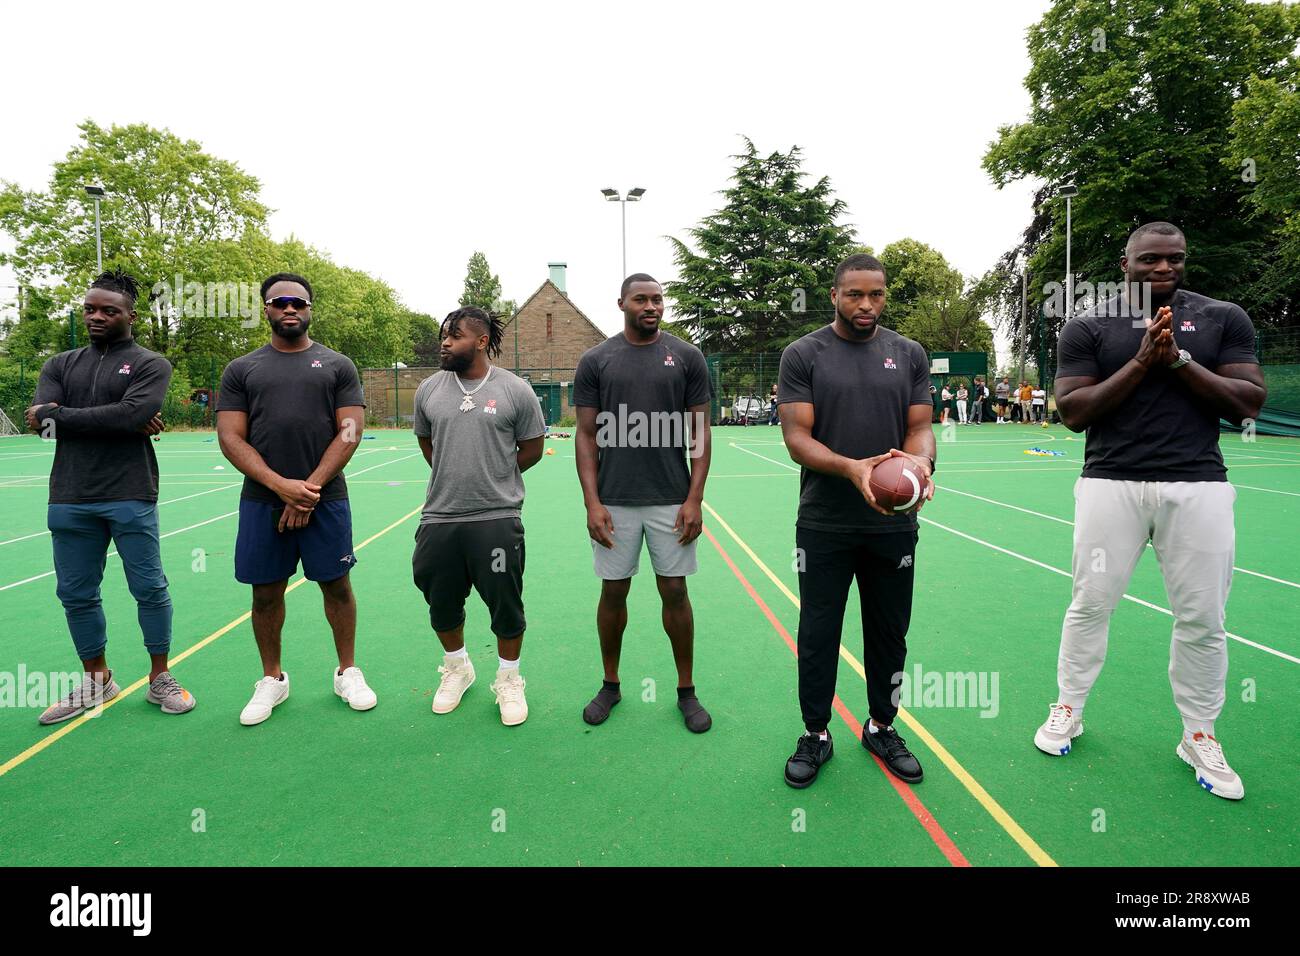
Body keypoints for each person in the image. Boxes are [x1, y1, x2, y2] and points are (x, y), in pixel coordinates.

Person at [1036, 221, 1266, 800]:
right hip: (1110, 482)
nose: (1164, 269)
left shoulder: (1222, 318)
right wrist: (1142, 362)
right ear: (1126, 262)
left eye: (1174, 259)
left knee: (1203, 618)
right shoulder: (1088, 324)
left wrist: (1180, 360)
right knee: (1091, 602)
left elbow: (1248, 402)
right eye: (1151, 260)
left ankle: (1199, 733)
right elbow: (1074, 411)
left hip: (1200, 485)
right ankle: (1070, 706)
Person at [777, 253, 936, 789]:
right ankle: (816, 733)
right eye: (854, 294)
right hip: (823, 522)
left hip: (893, 524)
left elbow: (920, 428)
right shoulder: (804, 354)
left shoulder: (907, 353)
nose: (866, 304)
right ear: (836, 296)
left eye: (876, 294)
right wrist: (853, 469)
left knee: (890, 633)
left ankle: (881, 726)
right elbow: (797, 439)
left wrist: (919, 464)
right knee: (818, 630)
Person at [26, 269, 192, 723]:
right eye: (90, 309)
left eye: (108, 311)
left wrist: (65, 414)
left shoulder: (150, 363)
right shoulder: (59, 364)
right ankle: (97, 679)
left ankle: (161, 678)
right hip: (69, 495)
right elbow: (41, 425)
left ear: (130, 316)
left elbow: (132, 411)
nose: (96, 317)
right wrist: (121, 418)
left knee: (149, 588)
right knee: (75, 593)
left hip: (130, 492)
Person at [217, 273, 377, 726]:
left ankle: (347, 671)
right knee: (266, 593)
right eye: (279, 302)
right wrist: (279, 486)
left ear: (310, 309)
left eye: (298, 303)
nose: (289, 309)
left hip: (325, 499)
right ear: (265, 309)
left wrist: (306, 490)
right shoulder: (242, 369)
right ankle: (273, 679)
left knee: (337, 585)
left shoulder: (337, 365)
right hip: (262, 502)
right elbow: (231, 438)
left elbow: (350, 431)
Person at [574, 273, 713, 733]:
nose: (651, 306)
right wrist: (592, 502)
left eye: (657, 299)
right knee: (614, 591)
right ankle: (610, 684)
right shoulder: (597, 359)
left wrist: (694, 498)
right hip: (614, 501)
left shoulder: (688, 358)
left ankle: (686, 691)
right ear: (621, 304)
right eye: (641, 299)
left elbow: (699, 432)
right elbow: (587, 435)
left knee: (675, 591)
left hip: (672, 501)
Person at [411, 307, 546, 726]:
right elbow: (427, 443)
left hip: (497, 517)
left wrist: (495, 477)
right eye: (443, 336)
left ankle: (509, 678)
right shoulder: (429, 390)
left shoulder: (515, 390)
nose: (445, 343)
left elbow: (533, 448)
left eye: (454, 336)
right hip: (441, 517)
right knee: (440, 600)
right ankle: (457, 667)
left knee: (505, 601)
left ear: (482, 341)